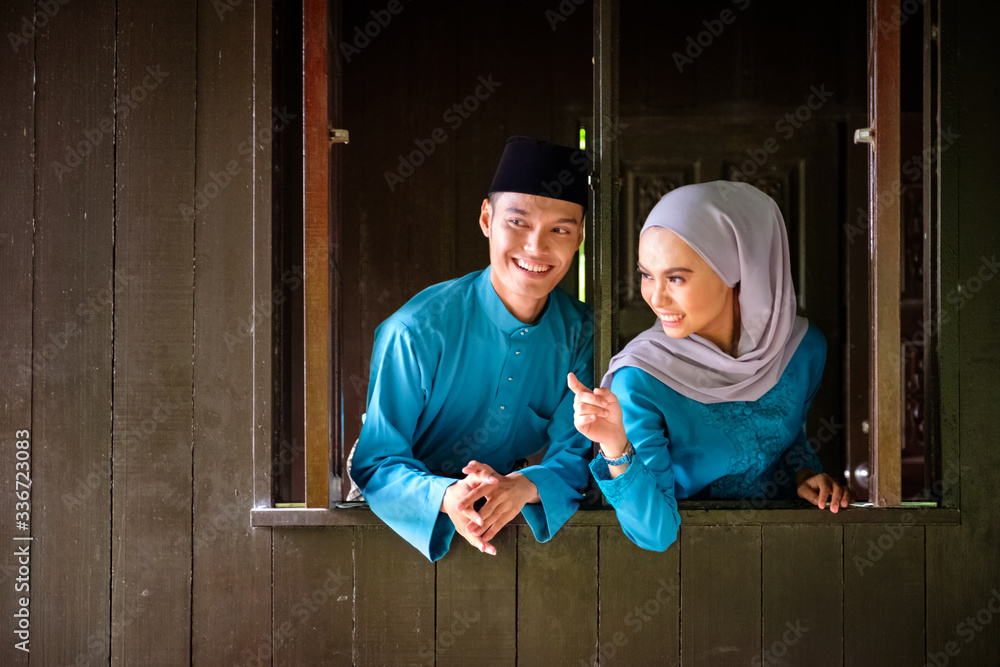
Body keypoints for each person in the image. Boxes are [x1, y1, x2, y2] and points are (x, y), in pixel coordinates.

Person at [568, 181, 852, 552]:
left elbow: (790, 442)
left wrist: (805, 475)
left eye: (675, 278)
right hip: (692, 568)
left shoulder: (802, 349)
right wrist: (614, 446)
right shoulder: (639, 380)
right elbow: (657, 533)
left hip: (784, 555)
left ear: (738, 268)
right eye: (646, 275)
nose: (655, 297)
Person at [350, 136, 594, 562]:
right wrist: (448, 494)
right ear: (486, 218)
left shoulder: (582, 335)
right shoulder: (415, 331)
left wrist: (525, 485)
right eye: (517, 223)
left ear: (579, 238)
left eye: (559, 229)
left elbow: (579, 454)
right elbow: (375, 462)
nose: (536, 248)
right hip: (392, 513)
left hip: (502, 506)